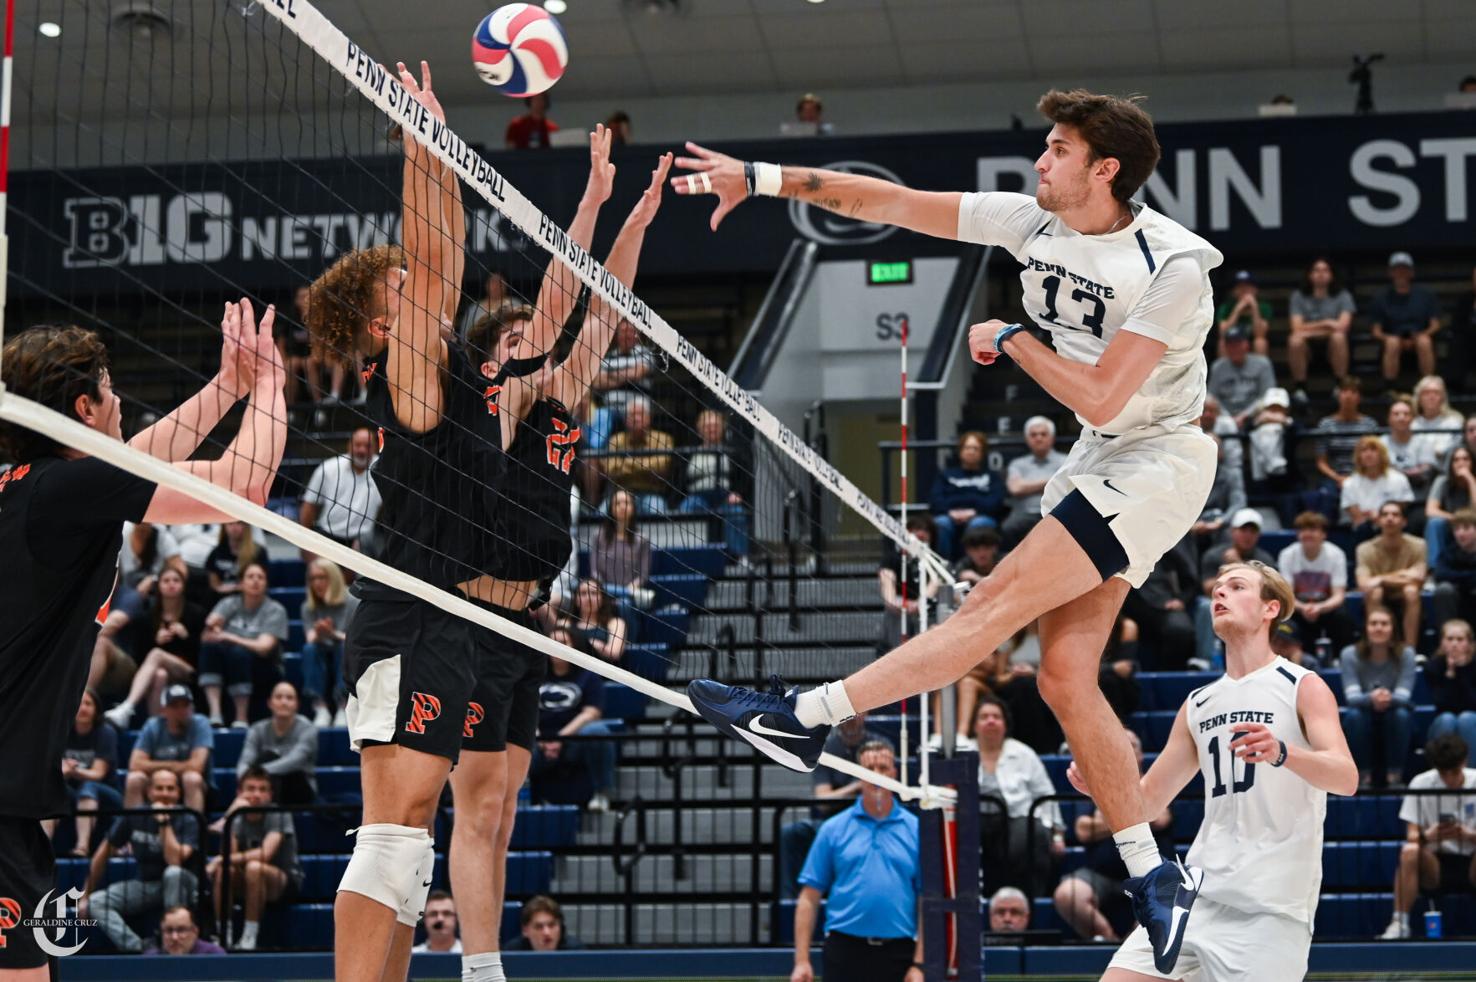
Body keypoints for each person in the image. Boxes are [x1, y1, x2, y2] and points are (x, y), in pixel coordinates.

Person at [681, 88, 1227, 970]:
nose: (1040, 162)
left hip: (1156, 461)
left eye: (1057, 149)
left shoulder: (1172, 266)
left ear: (1105, 168)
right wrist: (761, 175)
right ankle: (1153, 874)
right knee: (1059, 677)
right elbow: (887, 203)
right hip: (1097, 461)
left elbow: (1099, 395)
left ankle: (806, 717)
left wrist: (1010, 338)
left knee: (988, 610)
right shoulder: (1030, 222)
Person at [0, 297, 285, 978]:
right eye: (108, 388)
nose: (120, 400)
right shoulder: (63, 493)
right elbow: (243, 486)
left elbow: (136, 461)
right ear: (83, 409)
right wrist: (272, 386)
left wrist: (228, 387)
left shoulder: (39, 488)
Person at [449, 138, 666, 982]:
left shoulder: (562, 402)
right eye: (510, 341)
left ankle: (486, 957)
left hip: (522, 625)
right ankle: (478, 966)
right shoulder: (490, 408)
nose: (525, 346)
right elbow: (557, 300)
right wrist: (586, 203)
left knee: (503, 816)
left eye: (524, 342)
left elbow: (601, 308)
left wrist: (635, 217)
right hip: (467, 623)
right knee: (476, 811)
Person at [1076, 560, 1355, 979]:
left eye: (1237, 586)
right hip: (1197, 898)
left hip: (1270, 906)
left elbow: (1346, 777)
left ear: (1270, 609)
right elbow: (1147, 802)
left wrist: (1284, 753)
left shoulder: (1301, 685)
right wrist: (1101, 785)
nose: (1219, 593)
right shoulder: (1199, 702)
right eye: (1218, 587)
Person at [792, 742, 923, 982]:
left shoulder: (916, 830)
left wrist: (919, 964)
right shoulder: (833, 829)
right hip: (844, 950)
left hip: (899, 952)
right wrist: (802, 961)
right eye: (869, 768)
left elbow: (926, 900)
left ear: (894, 773)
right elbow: (809, 897)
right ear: (858, 774)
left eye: (883, 767)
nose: (877, 774)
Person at [1055, 728, 1172, 942]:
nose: (1126, 749)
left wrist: (1107, 815)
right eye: (1121, 744)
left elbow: (1160, 818)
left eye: (1132, 745)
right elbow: (1082, 829)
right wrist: (1132, 815)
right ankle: (1108, 942)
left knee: (1162, 897)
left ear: (1141, 755)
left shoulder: (1153, 781)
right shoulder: (1095, 783)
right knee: (1067, 894)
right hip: (1101, 873)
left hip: (1148, 872)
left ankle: (1132, 948)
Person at [80, 768, 200, 954]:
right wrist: (85, 894)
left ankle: (171, 942)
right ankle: (139, 948)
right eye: (159, 788)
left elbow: (174, 860)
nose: (165, 794)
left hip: (183, 885)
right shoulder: (135, 815)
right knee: (97, 902)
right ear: (149, 792)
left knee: (173, 873)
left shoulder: (189, 818)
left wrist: (163, 824)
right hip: (146, 884)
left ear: (178, 792)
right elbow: (102, 854)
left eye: (170, 788)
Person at [778, 713, 892, 899]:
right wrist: (857, 785)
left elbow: (883, 790)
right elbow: (823, 800)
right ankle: (790, 903)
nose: (850, 718)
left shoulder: (880, 746)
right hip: (833, 822)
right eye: (845, 713)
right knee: (792, 833)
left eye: (855, 712)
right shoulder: (826, 749)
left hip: (870, 819)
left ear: (866, 713)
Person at [1378, 734, 1476, 939]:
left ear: (1464, 762)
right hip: (1434, 864)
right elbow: (1412, 836)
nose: (1449, 779)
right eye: (1443, 773)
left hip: (1471, 860)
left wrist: (1468, 835)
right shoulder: (1420, 783)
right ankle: (1399, 923)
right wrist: (1429, 835)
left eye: (1454, 772)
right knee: (1410, 851)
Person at [974, 696, 1064, 896]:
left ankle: (1027, 899)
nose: (990, 720)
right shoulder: (963, 751)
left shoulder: (1023, 753)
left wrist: (1057, 834)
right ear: (975, 726)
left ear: (1005, 725)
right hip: (974, 822)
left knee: (1035, 832)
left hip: (1015, 821)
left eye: (996, 717)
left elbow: (1045, 794)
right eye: (984, 717)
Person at [209, 766, 302, 950]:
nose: (256, 794)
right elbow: (229, 855)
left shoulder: (279, 814)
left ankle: (249, 938)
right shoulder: (237, 816)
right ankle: (223, 934)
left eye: (262, 789)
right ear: (240, 793)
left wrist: (221, 859)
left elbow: (265, 854)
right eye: (250, 789)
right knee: (224, 870)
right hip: (247, 880)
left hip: (283, 879)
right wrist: (229, 817)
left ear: (270, 794)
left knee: (254, 867)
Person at [104, 566, 206, 729]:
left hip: (188, 670)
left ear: (183, 585)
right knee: (159, 674)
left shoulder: (196, 613)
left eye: (176, 580)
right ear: (158, 586)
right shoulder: (149, 615)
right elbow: (140, 657)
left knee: (157, 654)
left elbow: (203, 652)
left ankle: (127, 707)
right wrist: (155, 640)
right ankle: (156, 727)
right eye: (166, 581)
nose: (171, 584)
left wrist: (186, 637)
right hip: (157, 671)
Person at [199, 560, 289, 727]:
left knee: (238, 653)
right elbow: (206, 638)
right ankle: (215, 713)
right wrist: (210, 627)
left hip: (264, 666)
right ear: (241, 583)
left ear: (266, 583)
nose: (255, 581)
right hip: (228, 664)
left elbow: (263, 648)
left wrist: (229, 637)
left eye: (260, 577)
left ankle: (241, 717)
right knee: (210, 649)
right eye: (250, 577)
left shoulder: (275, 609)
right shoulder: (228, 603)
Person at [1339, 606, 1418, 787]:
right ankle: (1361, 777)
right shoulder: (1349, 654)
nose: (1379, 628)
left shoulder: (1406, 654)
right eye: (1373, 623)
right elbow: (1351, 698)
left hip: (1395, 716)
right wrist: (1373, 697)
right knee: (1354, 716)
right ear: (1366, 628)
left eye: (1384, 623)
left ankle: (1395, 777)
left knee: (1401, 714)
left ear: (1393, 629)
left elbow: (1404, 697)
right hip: (1363, 717)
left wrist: (1381, 698)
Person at [531, 650, 617, 812]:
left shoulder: (588, 677)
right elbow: (525, 710)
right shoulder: (535, 675)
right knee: (514, 737)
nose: (555, 648)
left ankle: (601, 793)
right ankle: (516, 800)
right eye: (552, 642)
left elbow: (591, 713)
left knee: (597, 731)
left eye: (563, 643)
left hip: (573, 740)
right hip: (538, 742)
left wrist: (560, 738)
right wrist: (539, 739)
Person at [1192, 509, 1275, 670]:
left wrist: (1238, 565)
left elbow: (1268, 590)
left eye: (1253, 531)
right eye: (1243, 530)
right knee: (1204, 605)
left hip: (1251, 603)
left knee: (1268, 606)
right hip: (1220, 600)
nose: (1248, 535)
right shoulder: (1215, 555)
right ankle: (1206, 660)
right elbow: (1208, 588)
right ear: (1232, 532)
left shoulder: (1265, 559)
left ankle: (1258, 658)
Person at [126, 685, 214, 815]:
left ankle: (194, 831)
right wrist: (173, 768)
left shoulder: (201, 723)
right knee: (134, 779)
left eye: (185, 705)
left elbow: (197, 766)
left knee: (192, 778)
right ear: (164, 710)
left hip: (191, 786)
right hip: (157, 784)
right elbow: (135, 764)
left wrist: (158, 767)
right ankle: (132, 829)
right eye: (174, 706)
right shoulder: (152, 726)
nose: (181, 710)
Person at [1277, 511, 1353, 653]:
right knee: (1282, 620)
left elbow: (1338, 595)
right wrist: (1304, 608)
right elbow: (1287, 595)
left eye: (1312, 530)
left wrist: (1319, 608)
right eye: (1303, 530)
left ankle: (1339, 658)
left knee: (1343, 618)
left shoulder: (1336, 555)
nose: (1307, 534)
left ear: (1323, 534)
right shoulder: (1287, 555)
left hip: (1326, 607)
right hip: (1298, 607)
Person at [299, 426, 382, 555]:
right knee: (319, 571)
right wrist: (304, 544)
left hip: (362, 538)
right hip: (328, 534)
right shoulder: (328, 468)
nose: (362, 450)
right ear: (349, 446)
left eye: (367, 446)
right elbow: (309, 506)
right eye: (358, 445)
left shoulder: (384, 472)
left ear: (376, 447)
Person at [1355, 502, 1427, 650]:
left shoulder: (1419, 545)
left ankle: (1410, 651)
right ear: (1378, 521)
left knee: (1411, 591)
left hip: (1405, 596)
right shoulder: (1365, 548)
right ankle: (1376, 648)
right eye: (1385, 514)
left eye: (1395, 514)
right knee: (1375, 592)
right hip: (1378, 596)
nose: (1390, 518)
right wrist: (1403, 574)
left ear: (1404, 521)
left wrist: (1380, 579)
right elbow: (1364, 585)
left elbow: (1419, 579)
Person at [679, 407, 751, 556]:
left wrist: (737, 494)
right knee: (687, 508)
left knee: (736, 512)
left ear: (722, 429)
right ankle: (690, 557)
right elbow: (680, 481)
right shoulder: (690, 452)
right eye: (707, 426)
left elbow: (744, 477)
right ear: (699, 430)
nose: (712, 429)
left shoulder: (733, 451)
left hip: (725, 497)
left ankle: (739, 559)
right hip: (697, 497)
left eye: (715, 426)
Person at [59, 690, 123, 857]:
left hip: (106, 794)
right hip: (72, 794)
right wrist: (61, 773)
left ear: (96, 709)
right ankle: (40, 848)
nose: (83, 708)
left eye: (88, 704)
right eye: (79, 703)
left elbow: (98, 773)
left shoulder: (105, 732)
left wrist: (71, 770)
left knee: (88, 787)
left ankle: (82, 846)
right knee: (53, 789)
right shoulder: (60, 732)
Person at [237, 681, 319, 806]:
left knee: (268, 759)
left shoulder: (308, 728)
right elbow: (245, 760)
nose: (284, 702)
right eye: (279, 697)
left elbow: (295, 761)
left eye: (289, 698)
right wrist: (246, 778)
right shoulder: (257, 729)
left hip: (299, 787)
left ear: (297, 704)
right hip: (265, 787)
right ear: (270, 703)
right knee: (254, 784)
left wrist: (258, 773)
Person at [928, 431, 1007, 559]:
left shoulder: (992, 477)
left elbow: (995, 502)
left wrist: (973, 511)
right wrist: (951, 512)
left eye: (976, 448)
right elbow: (935, 500)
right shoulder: (946, 475)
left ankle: (968, 566)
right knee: (941, 523)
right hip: (949, 516)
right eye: (967, 448)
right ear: (960, 451)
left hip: (980, 516)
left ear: (982, 453)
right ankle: (944, 567)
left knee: (978, 524)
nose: (971, 452)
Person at [299, 558, 359, 726]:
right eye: (312, 579)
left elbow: (357, 640)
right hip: (322, 650)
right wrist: (320, 633)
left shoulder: (352, 600)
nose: (317, 583)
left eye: (322, 577)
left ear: (333, 578)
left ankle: (343, 706)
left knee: (343, 646)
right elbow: (310, 638)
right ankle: (320, 707)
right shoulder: (308, 606)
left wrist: (332, 633)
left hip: (346, 649)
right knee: (309, 649)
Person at [1286, 256, 1354, 402]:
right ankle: (1300, 388)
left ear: (1332, 275)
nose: (1321, 273)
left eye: (1325, 270)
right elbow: (1296, 328)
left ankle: (1339, 385)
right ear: (1309, 275)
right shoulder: (1298, 296)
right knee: (1295, 340)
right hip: (1308, 347)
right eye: (1316, 270)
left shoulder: (1343, 295)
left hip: (1332, 346)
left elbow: (1343, 327)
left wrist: (1309, 329)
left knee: (1339, 337)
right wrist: (1328, 323)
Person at [1369, 252, 1442, 384]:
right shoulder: (1380, 297)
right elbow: (1376, 331)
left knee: (1424, 342)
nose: (1401, 273)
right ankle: (1389, 387)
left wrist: (1421, 335)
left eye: (1404, 269)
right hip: (1393, 339)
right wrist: (1390, 338)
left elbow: (1435, 324)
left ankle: (1429, 385)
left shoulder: (1426, 295)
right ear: (1390, 273)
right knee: (1392, 343)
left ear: (1411, 272)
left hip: (1418, 336)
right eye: (1397, 269)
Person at [876, 514, 943, 656]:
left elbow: (934, 585)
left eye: (925, 530)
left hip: (927, 613)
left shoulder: (937, 562)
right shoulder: (891, 559)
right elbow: (887, 585)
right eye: (914, 529)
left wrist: (920, 604)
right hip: (899, 612)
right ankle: (898, 656)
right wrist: (896, 602)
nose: (919, 533)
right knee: (899, 614)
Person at [1002, 416, 1068, 549]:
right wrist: (1051, 481)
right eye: (1033, 435)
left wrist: (1028, 486)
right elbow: (1015, 489)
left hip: (1056, 512)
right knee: (1007, 528)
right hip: (1024, 514)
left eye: (1043, 434)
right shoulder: (1017, 464)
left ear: (1052, 438)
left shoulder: (1066, 460)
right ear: (1027, 439)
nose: (1039, 438)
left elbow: (1067, 486)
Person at [601, 396, 675, 513]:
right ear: (625, 419)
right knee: (602, 513)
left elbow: (661, 466)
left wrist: (625, 464)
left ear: (649, 418)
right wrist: (645, 465)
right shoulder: (615, 440)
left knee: (656, 509)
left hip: (651, 493)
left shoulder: (663, 439)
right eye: (632, 415)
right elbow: (610, 469)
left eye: (640, 414)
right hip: (621, 494)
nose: (636, 418)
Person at [589, 488, 653, 607]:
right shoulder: (598, 536)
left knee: (624, 604)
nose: (622, 507)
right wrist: (604, 590)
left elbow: (643, 575)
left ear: (633, 508)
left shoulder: (643, 540)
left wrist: (628, 590)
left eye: (627, 503)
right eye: (618, 503)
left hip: (630, 595)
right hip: (604, 592)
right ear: (611, 508)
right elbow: (594, 572)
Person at [1314, 376, 1378, 490]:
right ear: (1338, 395)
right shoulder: (1326, 424)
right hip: (1333, 477)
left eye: (1353, 392)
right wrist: (1337, 478)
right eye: (1344, 391)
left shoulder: (1369, 424)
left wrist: (1355, 478)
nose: (1348, 396)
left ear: (1359, 397)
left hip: (1364, 476)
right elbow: (1321, 462)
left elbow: (1375, 458)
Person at [1341, 437, 1415, 535]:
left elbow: (1400, 510)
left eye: (1373, 449)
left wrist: (1379, 516)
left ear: (1382, 454)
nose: (1368, 454)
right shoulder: (1349, 483)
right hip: (1364, 529)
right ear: (1358, 456)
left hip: (1393, 526)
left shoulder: (1399, 479)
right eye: (1364, 450)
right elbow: (1357, 517)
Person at [1206, 325, 1275, 429]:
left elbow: (1266, 395)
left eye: (1238, 344)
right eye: (1230, 344)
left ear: (1246, 344)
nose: (1234, 348)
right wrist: (1228, 417)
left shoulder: (1262, 364)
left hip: (1255, 415)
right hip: (1225, 417)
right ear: (1225, 347)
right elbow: (1212, 397)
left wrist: (1245, 415)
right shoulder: (1218, 367)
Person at [1427, 620, 1476, 760]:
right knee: (1447, 719)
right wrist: (1450, 673)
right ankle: (1444, 769)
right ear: (1442, 643)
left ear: (1470, 643)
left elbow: (1473, 704)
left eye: (1460, 639)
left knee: (1467, 718)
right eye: (1450, 639)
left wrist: (1462, 671)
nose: (1454, 644)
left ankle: (1472, 776)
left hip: (1472, 720)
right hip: (1441, 721)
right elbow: (1441, 704)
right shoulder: (1434, 666)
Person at [592, 319, 657, 421]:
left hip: (637, 407)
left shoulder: (645, 353)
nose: (627, 335)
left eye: (630, 331)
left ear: (637, 335)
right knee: (600, 415)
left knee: (637, 415)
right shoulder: (608, 356)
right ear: (617, 335)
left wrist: (610, 376)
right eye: (623, 331)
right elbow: (597, 382)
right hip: (611, 408)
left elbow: (637, 373)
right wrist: (627, 377)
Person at [1382, 395, 1438, 513]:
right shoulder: (1381, 443)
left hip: (1418, 500)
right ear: (1388, 418)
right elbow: (1380, 471)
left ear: (1412, 418)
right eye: (1396, 414)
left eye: (1406, 414)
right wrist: (1412, 471)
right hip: (1387, 502)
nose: (1401, 418)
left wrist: (1396, 471)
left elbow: (1426, 471)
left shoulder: (1424, 441)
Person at [1425, 446, 1476, 574]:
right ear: (1450, 464)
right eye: (1456, 460)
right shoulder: (1442, 481)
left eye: (1465, 459)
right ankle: (1435, 569)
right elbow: (1430, 510)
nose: (1461, 463)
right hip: (1452, 523)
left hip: (1473, 524)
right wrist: (1455, 519)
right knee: (1435, 523)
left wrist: (1470, 480)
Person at [564, 579, 628, 665]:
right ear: (576, 599)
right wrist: (594, 645)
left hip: (603, 672)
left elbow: (614, 653)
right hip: (574, 672)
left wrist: (583, 645)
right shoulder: (564, 624)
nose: (589, 598)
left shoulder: (615, 623)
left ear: (602, 598)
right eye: (583, 593)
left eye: (594, 593)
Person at [1433, 509, 1476, 628]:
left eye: (1466, 528)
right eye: (1456, 529)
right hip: (1458, 601)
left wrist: (1458, 579)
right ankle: (1448, 638)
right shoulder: (1449, 551)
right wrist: (1470, 578)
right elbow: (1440, 575)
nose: (1460, 533)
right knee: (1443, 590)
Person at [1214, 270, 1272, 357]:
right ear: (1233, 291)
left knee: (1260, 343)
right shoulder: (1226, 307)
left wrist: (1254, 309)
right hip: (1233, 340)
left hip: (1251, 342)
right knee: (1222, 343)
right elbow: (1223, 333)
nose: (1243, 290)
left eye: (1247, 286)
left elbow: (1260, 333)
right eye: (1239, 286)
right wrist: (1237, 310)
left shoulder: (1264, 307)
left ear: (1255, 289)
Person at [204, 520, 259, 604]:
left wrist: (231, 587)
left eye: (239, 523)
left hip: (248, 599)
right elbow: (214, 585)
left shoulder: (257, 552)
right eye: (230, 523)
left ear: (246, 526)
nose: (234, 527)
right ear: (224, 527)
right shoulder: (216, 552)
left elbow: (260, 583)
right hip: (219, 600)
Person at [1412, 374, 1464, 461]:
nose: (1431, 397)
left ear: (1443, 397)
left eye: (1436, 392)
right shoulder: (1411, 424)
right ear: (1419, 398)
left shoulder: (1454, 423)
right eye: (1426, 393)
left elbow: (1444, 453)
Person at [505, 895, 584, 950]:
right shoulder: (511, 952)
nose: (546, 932)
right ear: (525, 930)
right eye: (539, 927)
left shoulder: (576, 951)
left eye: (552, 925)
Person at [144, 905, 226, 956]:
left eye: (181, 930)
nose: (174, 937)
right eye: (169, 931)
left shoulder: (213, 955)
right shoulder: (150, 959)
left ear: (195, 932)